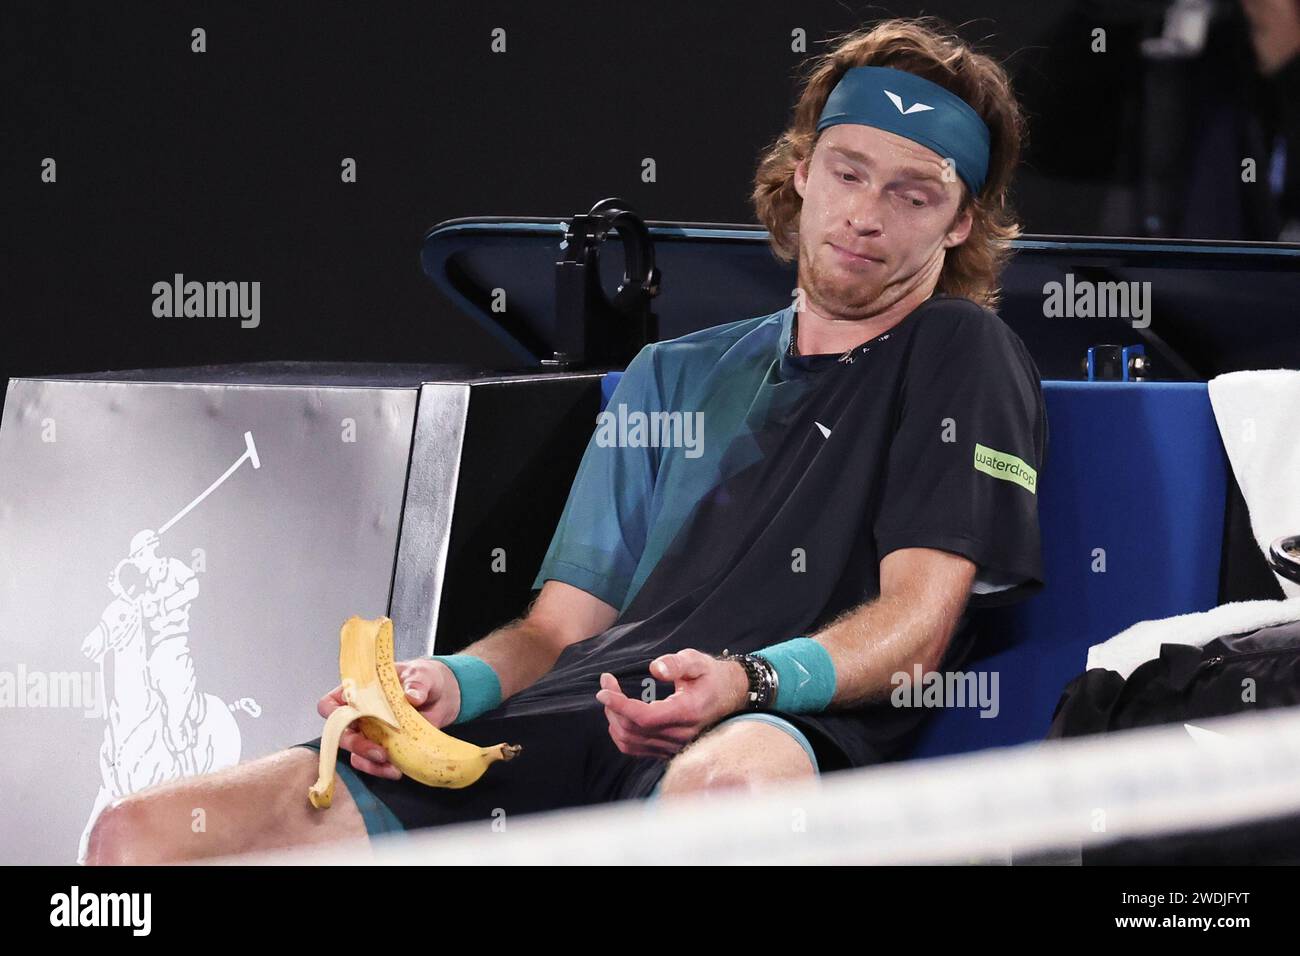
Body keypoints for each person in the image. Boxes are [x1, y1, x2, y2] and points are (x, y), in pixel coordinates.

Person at [83, 16, 1047, 863]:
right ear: (802, 170)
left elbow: (920, 619)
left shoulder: (963, 350)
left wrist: (750, 680)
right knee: (136, 837)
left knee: (738, 798)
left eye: (915, 194)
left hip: (766, 721)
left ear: (963, 222)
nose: (867, 216)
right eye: (848, 172)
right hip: (577, 715)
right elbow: (558, 632)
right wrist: (449, 687)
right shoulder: (673, 375)